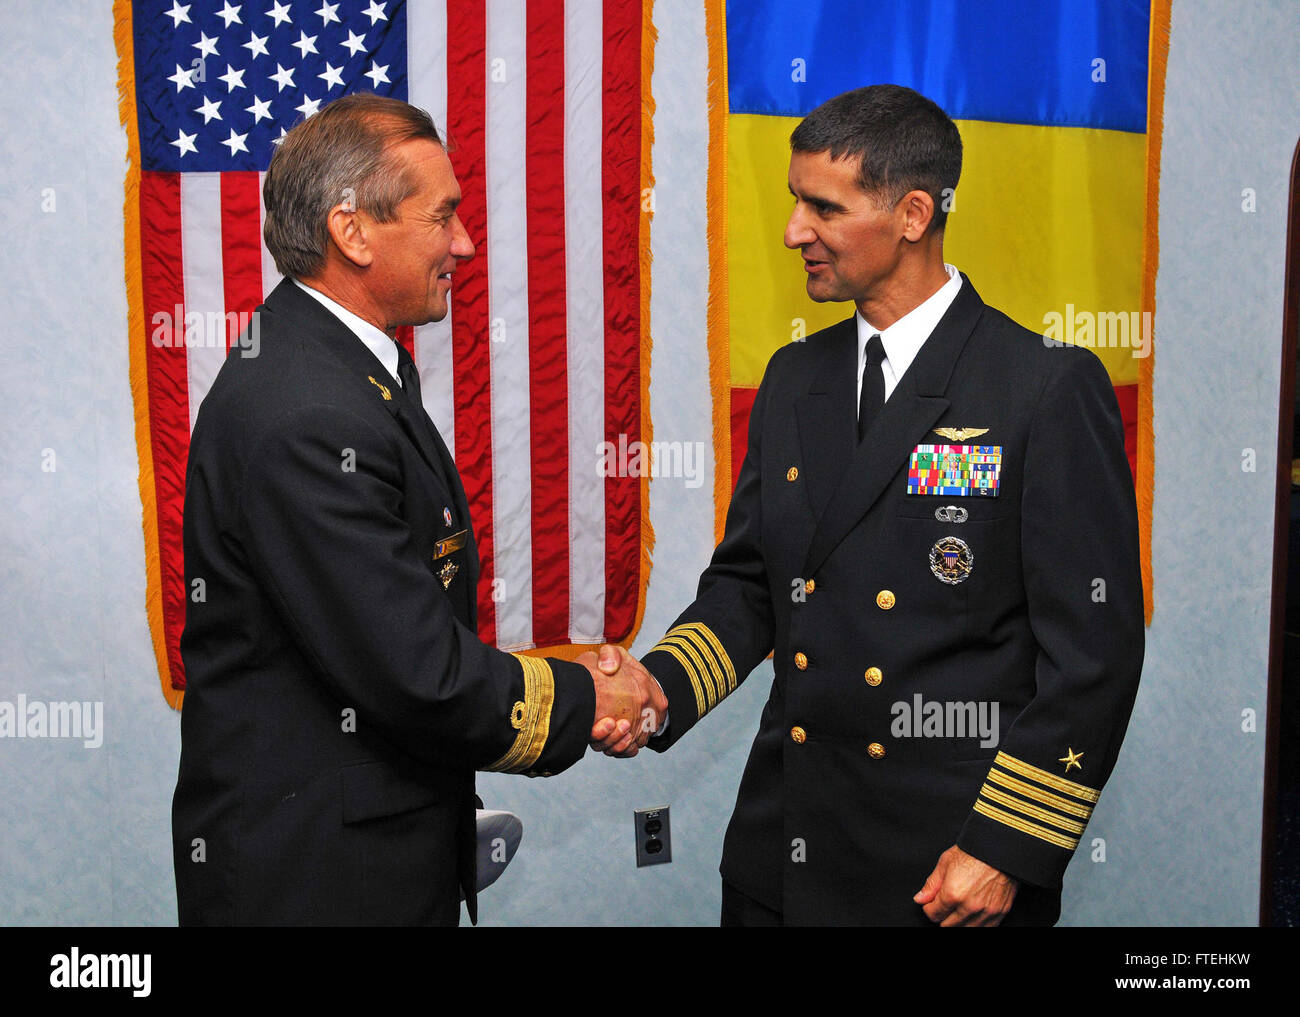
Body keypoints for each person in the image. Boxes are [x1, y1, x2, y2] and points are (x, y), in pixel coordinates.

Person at [598, 83, 1144, 926]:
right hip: (785, 843)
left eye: (824, 207)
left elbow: (1093, 656)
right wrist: (657, 684)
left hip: (944, 861)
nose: (793, 232)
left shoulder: (1041, 387)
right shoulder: (795, 378)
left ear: (913, 213)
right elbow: (751, 586)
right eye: (794, 202)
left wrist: (1008, 846)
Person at [171, 94, 664, 926]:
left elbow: (394, 629)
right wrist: (587, 700)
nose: (464, 244)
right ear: (352, 231)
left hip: (363, 851)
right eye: (444, 217)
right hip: (316, 882)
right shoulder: (308, 411)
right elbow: (416, 676)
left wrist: (567, 670)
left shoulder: (340, 365)